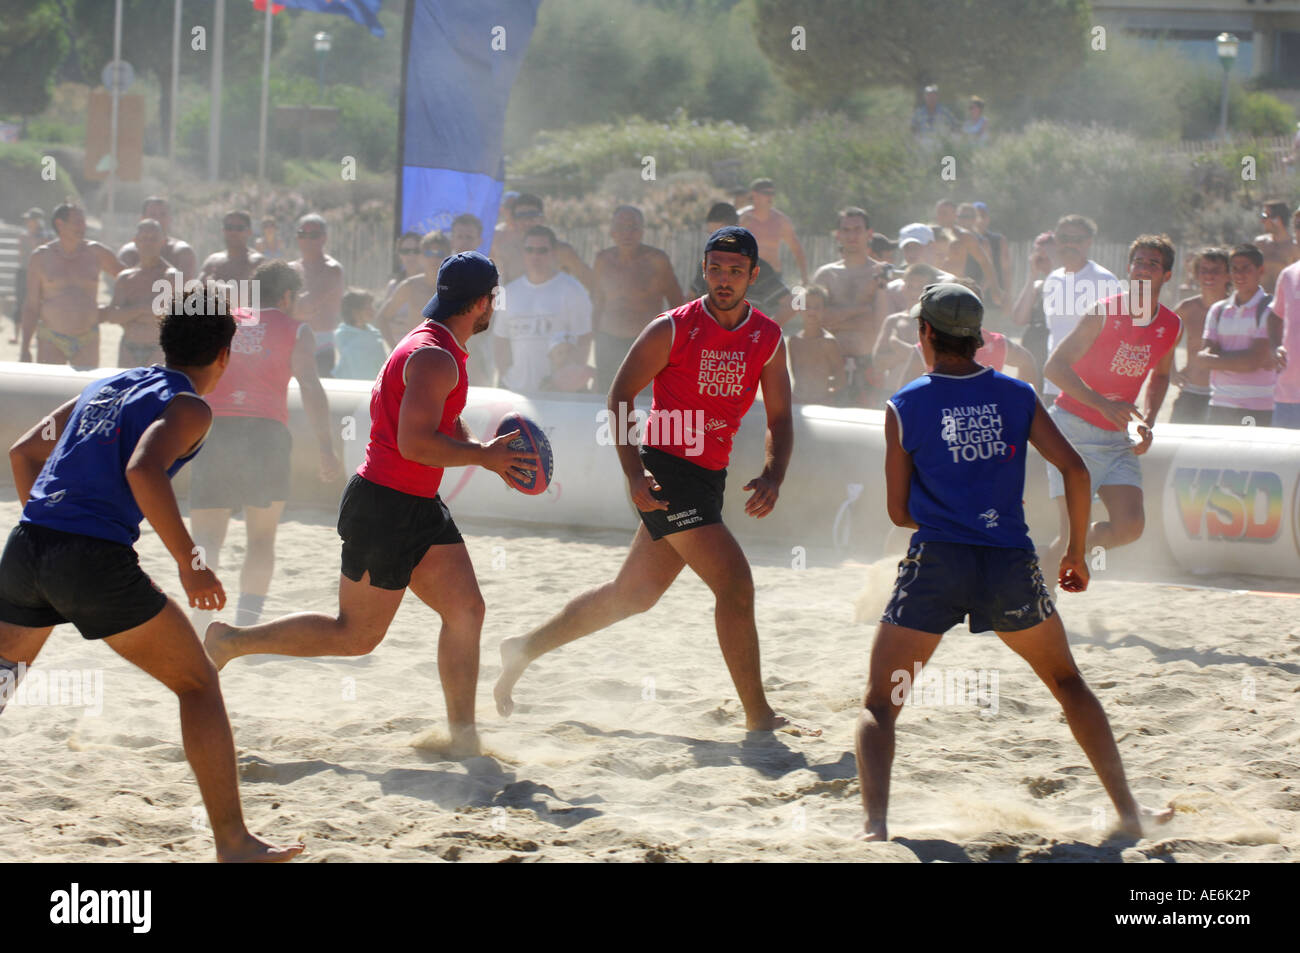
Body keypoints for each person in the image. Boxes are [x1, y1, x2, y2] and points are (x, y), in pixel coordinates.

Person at [856, 281, 1171, 841]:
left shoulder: (904, 405)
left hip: (939, 561)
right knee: (1067, 682)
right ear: (978, 337)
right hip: (1010, 562)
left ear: (925, 332)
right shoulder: (1017, 394)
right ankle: (1128, 811)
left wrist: (948, 511)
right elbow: (1076, 472)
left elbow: (899, 511)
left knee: (882, 702)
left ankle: (875, 829)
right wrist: (1074, 551)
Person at [0, 284, 302, 862]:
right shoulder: (189, 405)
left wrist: (51, 536)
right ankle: (234, 843)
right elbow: (145, 470)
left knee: (4, 678)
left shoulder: (106, 385)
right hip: (90, 560)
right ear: (224, 354)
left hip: (27, 546)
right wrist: (191, 564)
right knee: (197, 684)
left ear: (165, 341)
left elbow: (22, 453)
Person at [203, 253, 539, 759]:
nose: (495, 305)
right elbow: (413, 444)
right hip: (384, 506)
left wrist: (492, 454)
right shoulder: (432, 357)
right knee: (355, 635)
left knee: (466, 610)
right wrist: (486, 458)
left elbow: (442, 426)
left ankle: (462, 736)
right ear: (481, 302)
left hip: (418, 505)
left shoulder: (442, 348)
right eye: (493, 297)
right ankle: (231, 641)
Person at [494, 227, 816, 736]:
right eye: (715, 268)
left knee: (632, 595)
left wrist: (775, 473)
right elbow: (618, 396)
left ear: (754, 275)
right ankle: (759, 716)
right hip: (667, 472)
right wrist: (632, 473)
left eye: (735, 271)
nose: (724, 279)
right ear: (704, 270)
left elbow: (781, 418)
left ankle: (523, 649)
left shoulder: (768, 338)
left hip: (710, 475)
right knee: (735, 585)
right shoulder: (673, 328)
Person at [189, 261, 344, 628]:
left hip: (215, 429)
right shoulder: (296, 329)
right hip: (265, 434)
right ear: (287, 295)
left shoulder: (225, 320)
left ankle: (202, 614)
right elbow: (309, 385)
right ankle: (245, 622)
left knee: (208, 535)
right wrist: (325, 446)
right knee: (261, 537)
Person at [1042, 235, 1182, 568]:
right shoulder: (1103, 312)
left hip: (1118, 435)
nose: (1143, 269)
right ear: (1129, 269)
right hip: (1072, 430)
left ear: (1167, 276)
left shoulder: (1171, 324)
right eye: (1138, 262)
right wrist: (1102, 404)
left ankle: (1054, 556)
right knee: (1070, 534)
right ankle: (1039, 593)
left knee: (1130, 527)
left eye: (1153, 264)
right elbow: (1054, 368)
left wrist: (1145, 421)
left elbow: (1161, 376)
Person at [591, 205, 686, 392]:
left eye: (633, 227)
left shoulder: (656, 260)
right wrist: (595, 343)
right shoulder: (603, 260)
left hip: (646, 344)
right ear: (612, 232)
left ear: (642, 231)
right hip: (607, 342)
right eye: (621, 227)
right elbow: (597, 303)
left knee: (645, 401)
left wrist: (676, 350)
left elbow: (677, 304)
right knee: (606, 399)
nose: (627, 233)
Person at [20, 202, 123, 369]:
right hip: (51, 337)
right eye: (78, 221)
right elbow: (31, 305)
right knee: (51, 390)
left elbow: (129, 278)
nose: (83, 226)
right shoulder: (41, 257)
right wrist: (25, 348)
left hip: (87, 338)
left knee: (84, 391)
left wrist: (115, 306)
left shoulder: (96, 253)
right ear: (60, 224)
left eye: (84, 221)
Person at [493, 225, 592, 392]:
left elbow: (584, 339)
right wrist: (506, 375)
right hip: (516, 389)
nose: (535, 256)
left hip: (559, 391)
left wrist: (567, 380)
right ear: (523, 253)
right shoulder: (507, 292)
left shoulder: (573, 290)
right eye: (529, 250)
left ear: (554, 253)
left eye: (542, 250)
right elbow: (500, 339)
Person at [811, 207, 891, 405]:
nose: (851, 235)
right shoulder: (825, 275)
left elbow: (882, 323)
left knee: (870, 430)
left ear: (869, 234)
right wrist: (862, 309)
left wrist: (837, 316)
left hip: (869, 364)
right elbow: (816, 320)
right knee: (825, 429)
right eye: (846, 230)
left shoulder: (881, 273)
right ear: (838, 235)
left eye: (857, 229)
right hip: (830, 365)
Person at [1197, 244, 1282, 428]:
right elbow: (1202, 359)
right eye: (1234, 268)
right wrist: (1242, 360)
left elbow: (1252, 362)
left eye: (1246, 268)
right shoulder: (1218, 310)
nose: (1239, 274)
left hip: (1257, 408)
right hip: (1219, 405)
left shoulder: (1271, 310)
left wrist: (1215, 359)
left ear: (1260, 271)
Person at [1040, 214, 1121, 399]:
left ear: (1089, 242)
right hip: (1053, 385)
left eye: (1077, 239)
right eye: (1064, 238)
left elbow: (1116, 336)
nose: (1070, 244)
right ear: (1056, 241)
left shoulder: (1105, 280)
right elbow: (1053, 331)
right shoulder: (1052, 278)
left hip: (1089, 388)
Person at [690, 202, 792, 326]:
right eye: (711, 234)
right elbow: (690, 299)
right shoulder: (705, 266)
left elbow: (789, 304)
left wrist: (765, 336)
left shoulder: (756, 268)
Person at [101, 219, 179, 368]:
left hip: (159, 349)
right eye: (144, 239)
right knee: (127, 391)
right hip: (128, 347)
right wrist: (143, 309)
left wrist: (130, 312)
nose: (148, 243)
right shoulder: (126, 278)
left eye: (153, 239)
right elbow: (112, 316)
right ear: (135, 241)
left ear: (162, 242)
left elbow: (172, 318)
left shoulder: (171, 277)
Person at [1170, 248, 1232, 424]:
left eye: (1216, 271)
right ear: (1196, 274)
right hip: (1191, 391)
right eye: (1204, 270)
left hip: (1225, 395)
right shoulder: (1187, 309)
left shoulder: (1237, 310)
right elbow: (1162, 340)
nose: (1209, 276)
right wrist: (1171, 372)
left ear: (1229, 275)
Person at [489, 193, 594, 291]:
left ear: (542, 218)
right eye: (521, 216)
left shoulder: (561, 251)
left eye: (532, 215)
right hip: (518, 309)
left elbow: (591, 282)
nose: (527, 221)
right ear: (514, 220)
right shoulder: (505, 250)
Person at [289, 213, 345, 376]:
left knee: (315, 393)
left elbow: (308, 304)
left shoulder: (331, 269)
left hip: (321, 343)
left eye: (313, 235)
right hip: (293, 341)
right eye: (302, 234)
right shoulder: (291, 268)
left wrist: (289, 307)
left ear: (324, 238)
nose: (307, 240)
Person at [374, 230, 449, 346]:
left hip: (447, 354)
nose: (434, 259)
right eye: (429, 253)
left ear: (448, 256)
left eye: (439, 254)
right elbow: (382, 318)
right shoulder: (410, 286)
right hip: (417, 352)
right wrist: (395, 348)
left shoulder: (455, 288)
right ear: (422, 256)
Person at [739, 178, 809, 285]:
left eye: (772, 193)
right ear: (754, 195)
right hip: (747, 275)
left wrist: (805, 278)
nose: (770, 197)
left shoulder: (780, 221)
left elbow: (797, 249)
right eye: (766, 193)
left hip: (772, 276)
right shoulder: (742, 218)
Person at [1009, 231, 1059, 372]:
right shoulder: (1036, 286)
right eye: (1039, 256)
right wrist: (1032, 276)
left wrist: (1053, 268)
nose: (1043, 259)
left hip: (1054, 345)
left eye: (1048, 256)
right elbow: (1019, 319)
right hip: (1034, 346)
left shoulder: (1069, 282)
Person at [117, 196, 197, 282]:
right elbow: (124, 286)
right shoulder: (129, 253)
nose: (158, 219)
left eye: (163, 214)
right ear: (142, 219)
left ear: (170, 219)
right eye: (152, 215)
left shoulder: (183, 252)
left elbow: (185, 288)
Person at [1267, 229, 1300, 429]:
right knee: (1282, 459)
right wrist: (1274, 347)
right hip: (1288, 394)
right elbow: (1273, 316)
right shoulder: (1288, 275)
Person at [787, 285, 840, 404]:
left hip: (822, 402)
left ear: (824, 310)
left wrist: (827, 396)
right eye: (807, 306)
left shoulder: (829, 342)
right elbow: (794, 372)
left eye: (817, 307)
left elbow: (840, 378)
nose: (811, 311)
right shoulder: (794, 341)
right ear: (799, 309)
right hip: (797, 401)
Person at [10, 208, 50, 344]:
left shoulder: (45, 237)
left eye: (30, 219)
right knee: (19, 302)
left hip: (38, 274)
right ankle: (16, 335)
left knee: (38, 304)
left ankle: (37, 336)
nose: (28, 222)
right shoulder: (24, 236)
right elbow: (22, 255)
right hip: (23, 272)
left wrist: (35, 239)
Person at [332, 288, 388, 381]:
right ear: (355, 311)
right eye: (368, 308)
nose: (373, 310)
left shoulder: (374, 334)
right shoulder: (343, 336)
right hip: (353, 388)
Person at [199, 210, 264, 286]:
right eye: (229, 227)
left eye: (239, 228)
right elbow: (194, 292)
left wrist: (214, 286)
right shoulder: (212, 262)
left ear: (249, 232)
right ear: (223, 230)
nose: (233, 232)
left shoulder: (257, 263)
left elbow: (247, 294)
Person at [1252, 199, 1298, 294]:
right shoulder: (1260, 244)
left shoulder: (1295, 248)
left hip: (1284, 303)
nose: (1262, 221)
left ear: (1277, 220)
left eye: (1264, 216)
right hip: (1260, 303)